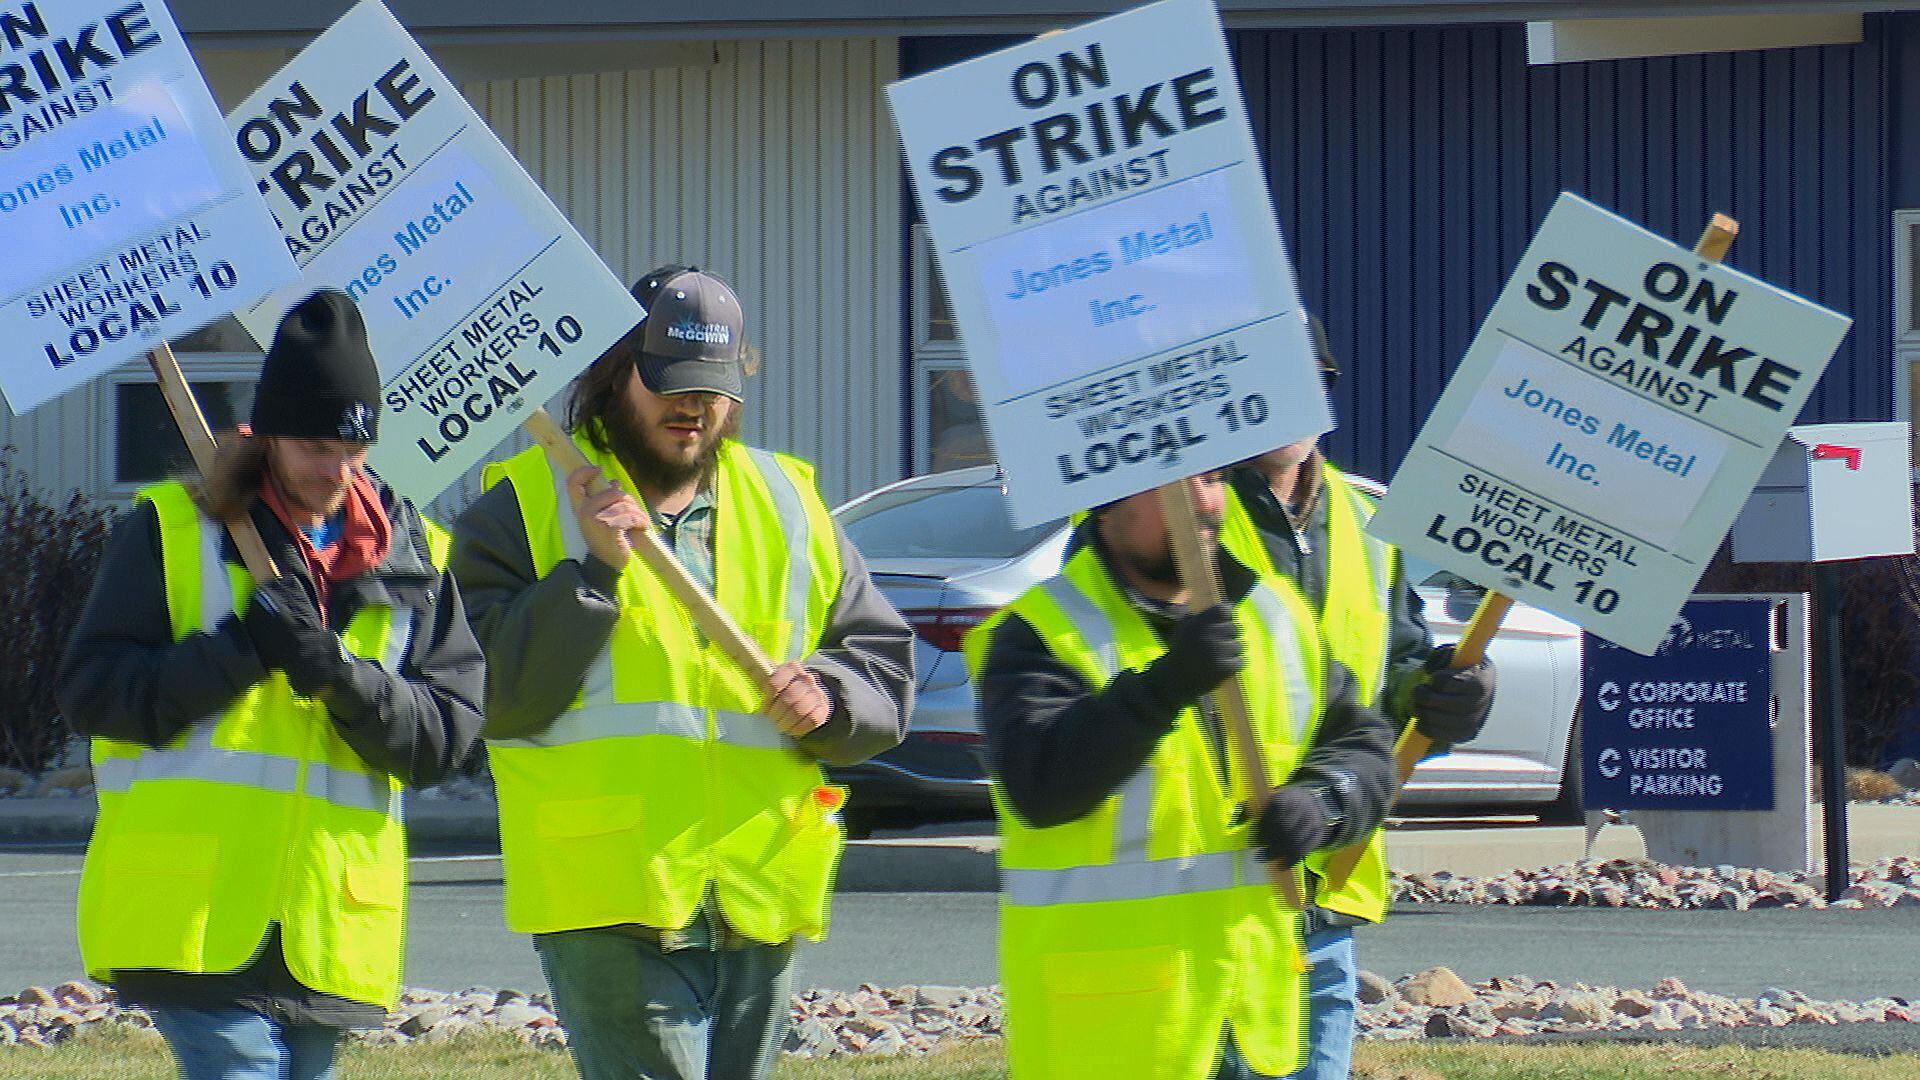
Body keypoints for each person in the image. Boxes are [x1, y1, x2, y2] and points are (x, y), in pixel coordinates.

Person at [451, 266, 914, 1080]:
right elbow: (494, 700)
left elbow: (884, 670)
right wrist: (591, 577)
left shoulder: (788, 501)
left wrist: (831, 699)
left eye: (713, 388)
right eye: (667, 383)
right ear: (611, 371)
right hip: (609, 895)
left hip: (759, 891)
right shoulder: (519, 507)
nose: (693, 409)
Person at [56, 290, 487, 1080]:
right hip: (192, 915)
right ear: (267, 433)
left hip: (329, 927)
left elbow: (446, 740)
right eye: (316, 446)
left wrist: (343, 680)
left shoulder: (415, 555)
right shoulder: (174, 530)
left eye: (354, 450)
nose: (336, 470)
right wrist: (244, 645)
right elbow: (95, 694)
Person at [970, 471, 1397, 1080]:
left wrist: (1323, 802)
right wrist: (1163, 688)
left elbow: (1362, 744)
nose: (1200, 502)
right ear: (1105, 505)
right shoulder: (1042, 632)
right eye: (1167, 484)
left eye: (1215, 478)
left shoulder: (1273, 611)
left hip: (1255, 1014)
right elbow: (1043, 786)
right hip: (1116, 1025)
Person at [1222, 316, 1498, 1080]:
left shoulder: (1366, 523)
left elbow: (1396, 668)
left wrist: (1442, 691)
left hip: (1329, 884)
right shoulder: (1178, 520)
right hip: (1212, 890)